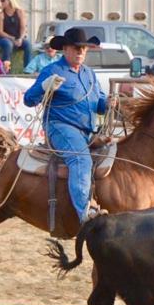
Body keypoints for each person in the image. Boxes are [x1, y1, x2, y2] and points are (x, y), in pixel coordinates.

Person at [23, 28, 110, 224]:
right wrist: (44, 87)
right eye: (76, 48)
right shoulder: (53, 70)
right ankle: (85, 213)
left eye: (83, 48)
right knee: (81, 160)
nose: (80, 51)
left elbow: (100, 105)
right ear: (65, 49)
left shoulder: (89, 74)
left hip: (87, 131)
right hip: (60, 126)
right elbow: (29, 99)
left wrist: (109, 103)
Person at [0, 0, 31, 67]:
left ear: (9, 1)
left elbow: (23, 27)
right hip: (4, 38)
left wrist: (20, 38)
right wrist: (12, 38)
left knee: (28, 45)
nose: (0, 2)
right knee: (8, 44)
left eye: (3, 0)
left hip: (17, 37)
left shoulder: (19, 12)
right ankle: (5, 68)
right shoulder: (0, 14)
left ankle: (28, 68)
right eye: (0, 0)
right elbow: (0, 31)